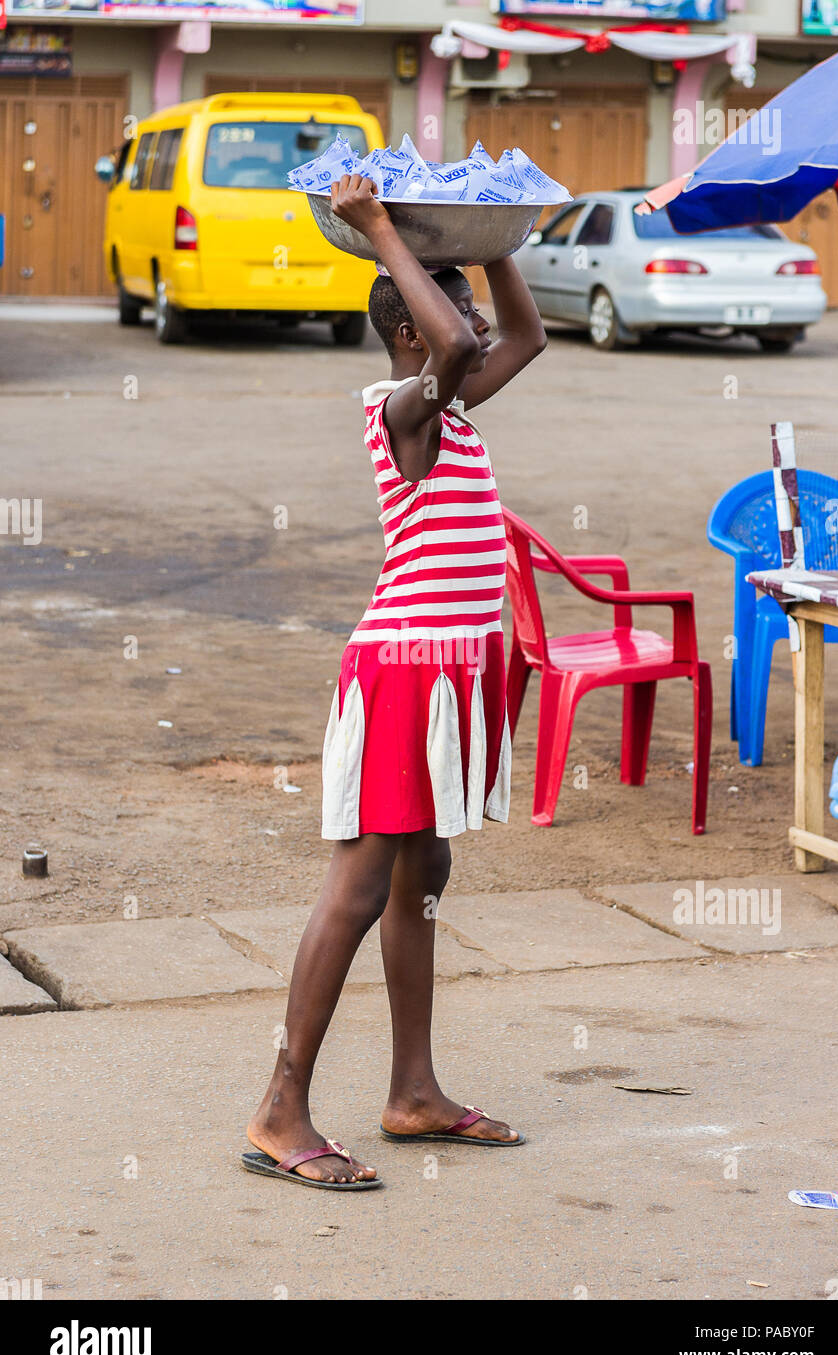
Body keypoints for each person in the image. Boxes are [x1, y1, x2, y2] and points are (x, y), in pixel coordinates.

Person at [243, 172, 546, 1189]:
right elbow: (464, 345)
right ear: (410, 335)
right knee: (363, 885)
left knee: (426, 878)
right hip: (402, 672)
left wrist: (497, 227)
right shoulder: (401, 412)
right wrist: (378, 229)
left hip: (452, 673)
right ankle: (281, 1110)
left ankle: (413, 1090)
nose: (467, 323)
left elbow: (525, 338)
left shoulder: (455, 412)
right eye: (445, 306)